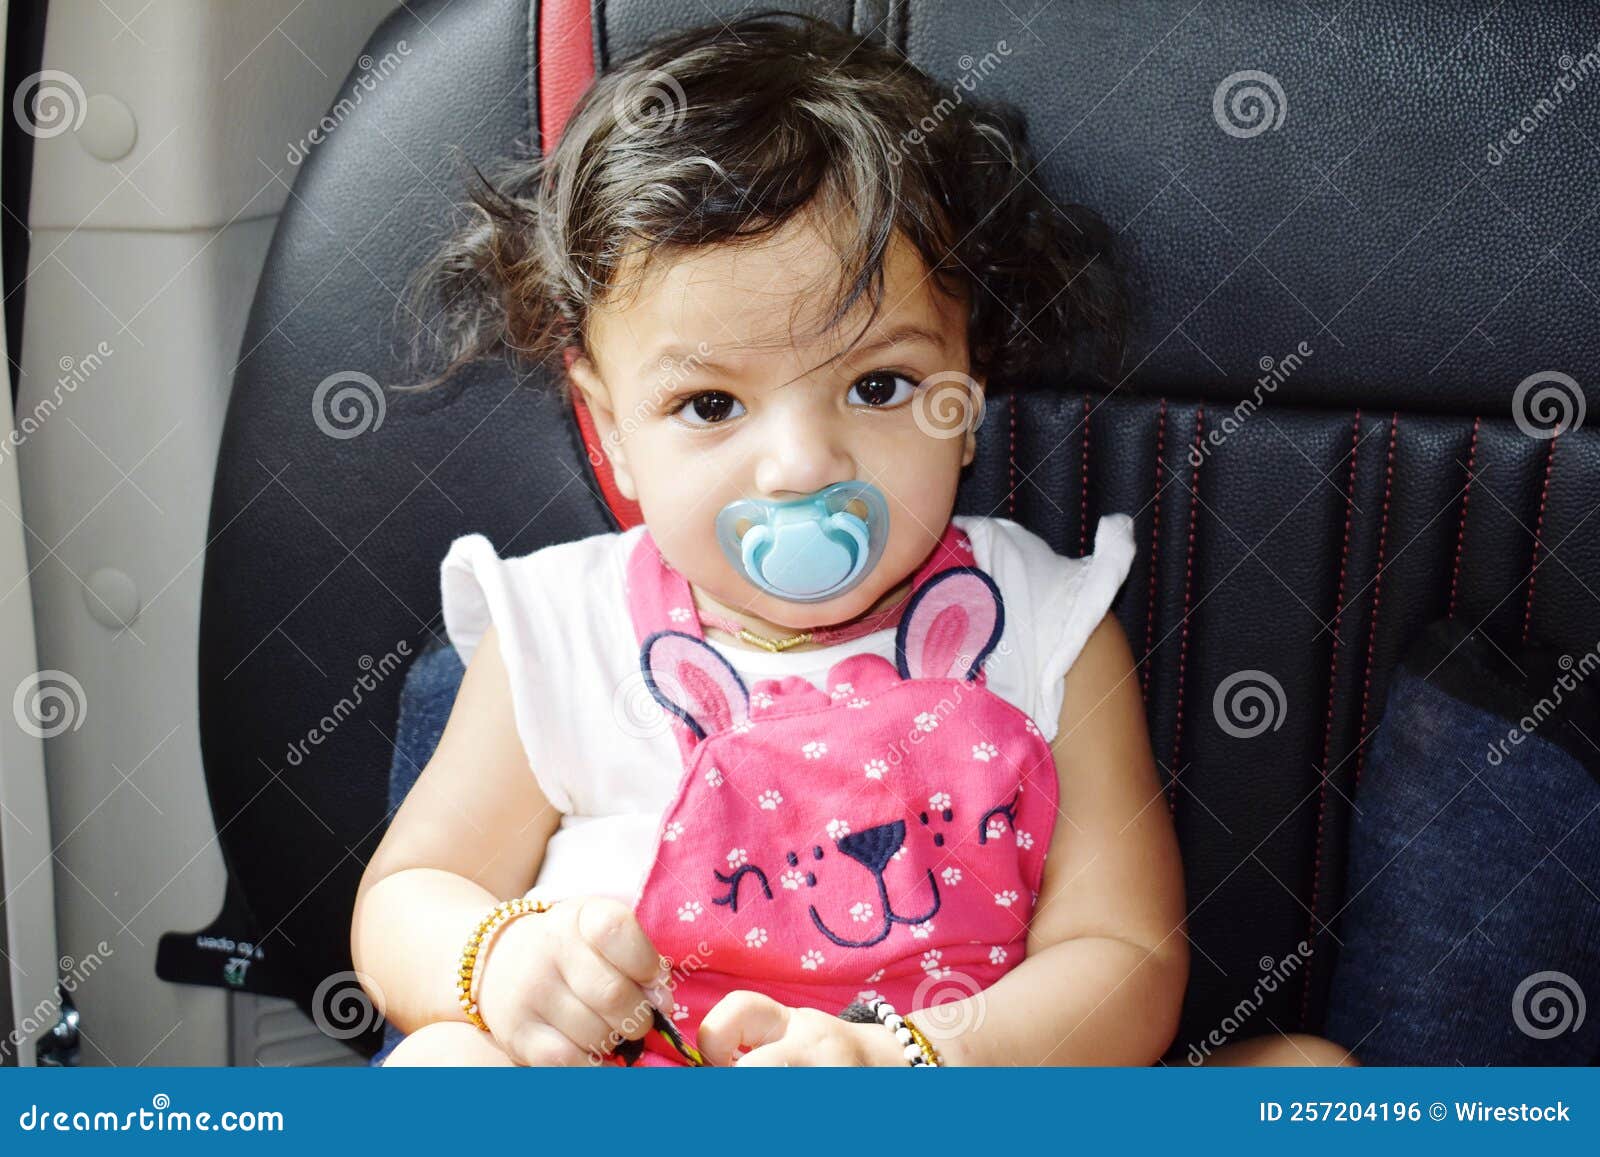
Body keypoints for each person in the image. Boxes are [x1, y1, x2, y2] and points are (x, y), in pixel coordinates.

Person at [351, 10, 1356, 1069]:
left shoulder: (1044, 627)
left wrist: (908, 1061)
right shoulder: (558, 632)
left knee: (1304, 1080)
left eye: (879, 385)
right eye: (707, 404)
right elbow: (404, 897)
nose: (801, 464)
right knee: (440, 1071)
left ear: (965, 395)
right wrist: (495, 957)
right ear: (610, 432)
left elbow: (1123, 956)